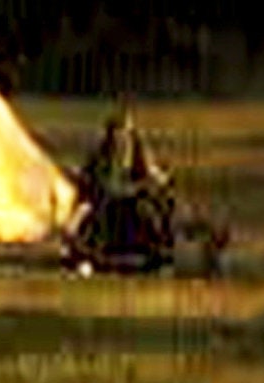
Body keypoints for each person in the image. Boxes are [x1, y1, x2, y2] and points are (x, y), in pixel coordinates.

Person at [67, 108, 183, 274]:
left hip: (132, 210)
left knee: (158, 207)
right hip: (109, 216)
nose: (121, 142)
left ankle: (166, 246)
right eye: (117, 136)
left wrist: (160, 183)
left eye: (125, 135)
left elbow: (155, 176)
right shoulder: (100, 161)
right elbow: (104, 187)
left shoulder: (139, 156)